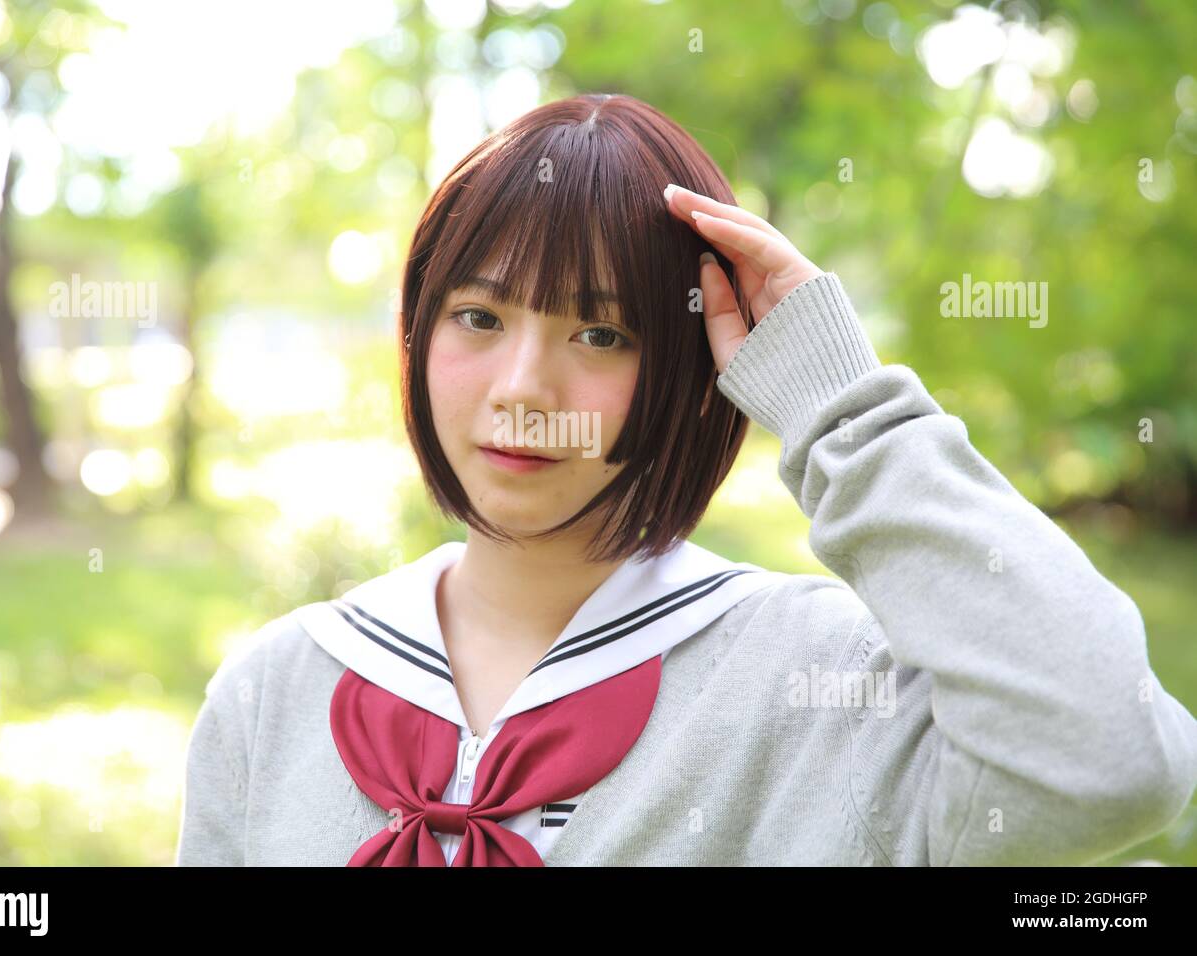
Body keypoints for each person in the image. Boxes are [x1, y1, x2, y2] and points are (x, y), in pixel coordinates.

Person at [175, 93, 1197, 866]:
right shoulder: (275, 692)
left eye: (601, 331)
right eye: (479, 318)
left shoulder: (818, 687)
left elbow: (1114, 758)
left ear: (688, 366)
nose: (523, 388)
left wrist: (838, 400)